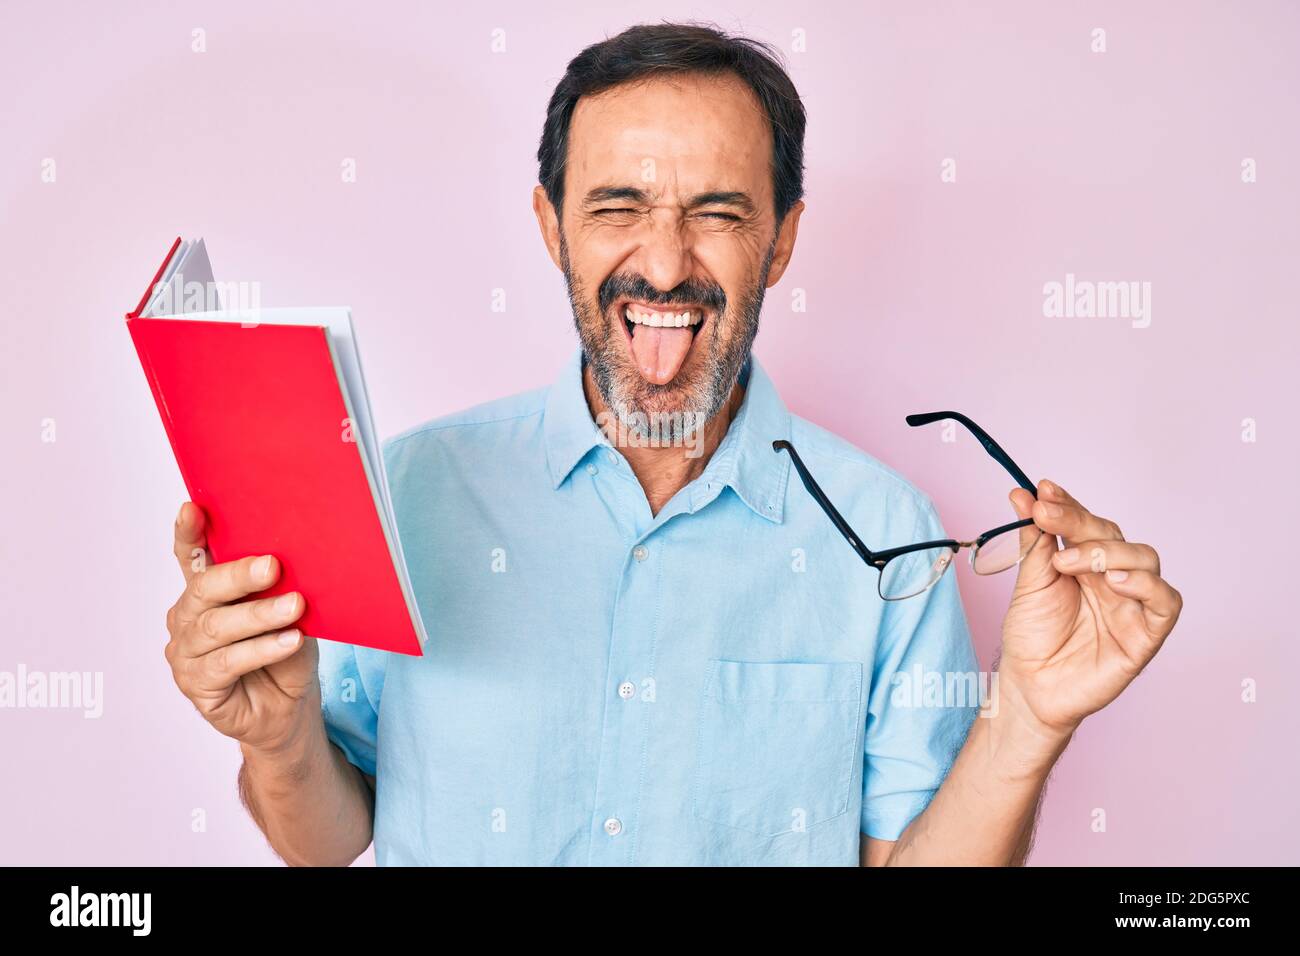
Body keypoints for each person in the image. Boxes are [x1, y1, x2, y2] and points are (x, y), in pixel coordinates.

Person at [162, 23, 1181, 866]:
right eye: (618, 207)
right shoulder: (412, 490)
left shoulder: (888, 535)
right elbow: (327, 836)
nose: (662, 262)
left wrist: (1032, 718)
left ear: (780, 238)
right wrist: (278, 736)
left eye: (717, 213)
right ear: (551, 225)